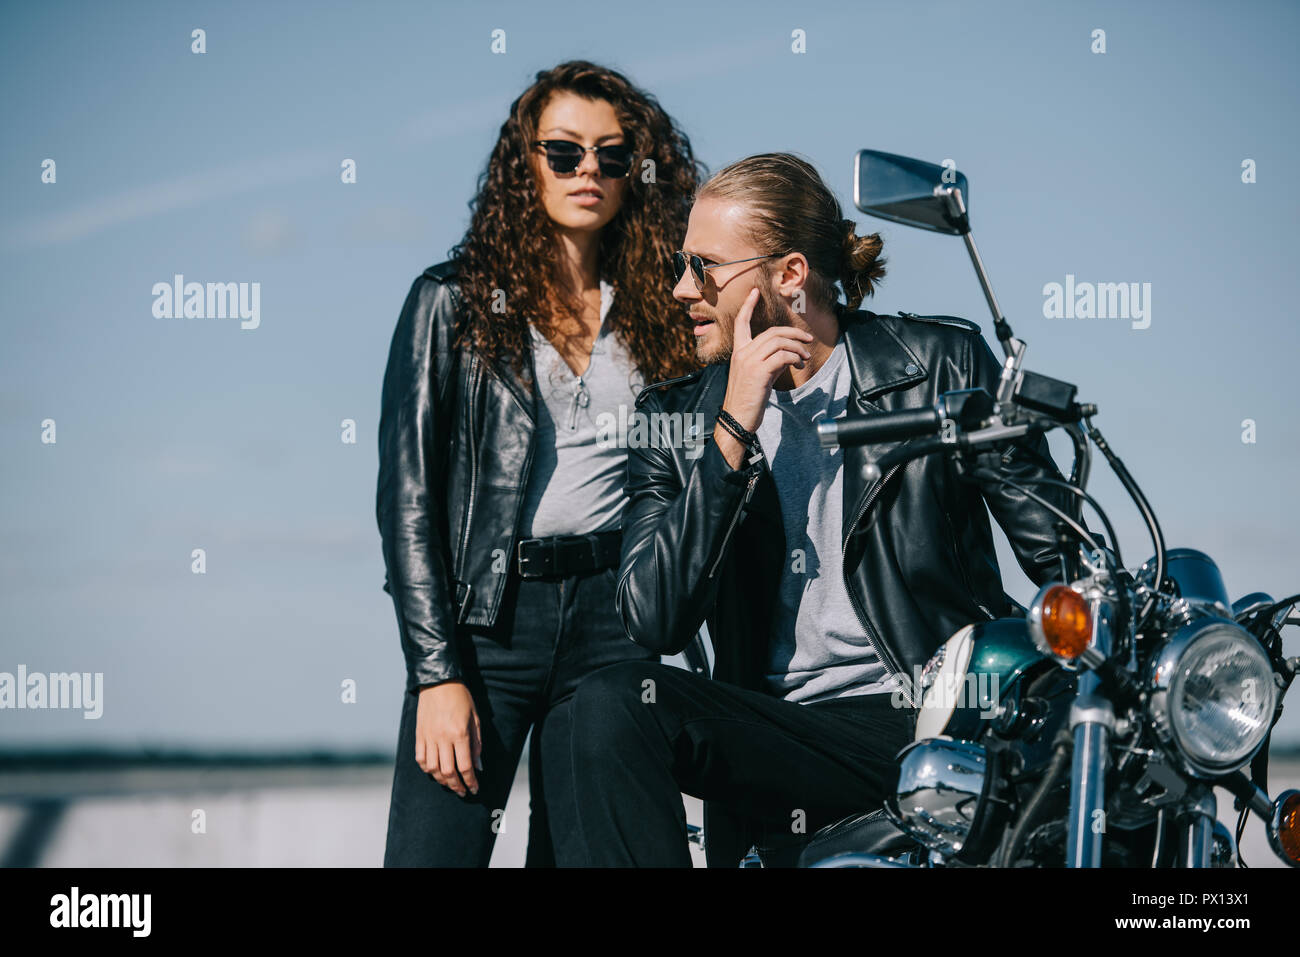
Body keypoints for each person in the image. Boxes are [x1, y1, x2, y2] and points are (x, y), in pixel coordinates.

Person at [568, 153, 1072, 866]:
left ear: (791, 275)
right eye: (682, 266)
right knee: (609, 703)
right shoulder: (675, 421)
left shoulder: (941, 366)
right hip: (782, 733)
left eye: (704, 268)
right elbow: (652, 617)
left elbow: (1062, 555)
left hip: (930, 717)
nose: (682, 289)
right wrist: (731, 431)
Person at [376, 60, 703, 866]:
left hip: (613, 620)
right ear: (525, 164)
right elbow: (408, 502)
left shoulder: (665, 309)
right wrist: (435, 673)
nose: (588, 169)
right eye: (563, 152)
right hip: (487, 623)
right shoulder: (449, 301)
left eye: (612, 156)